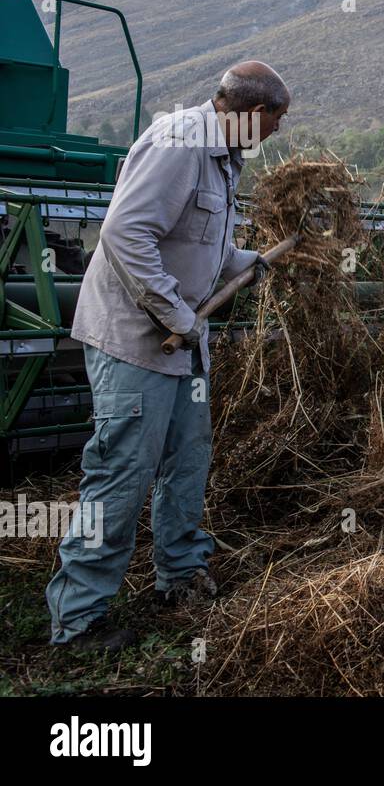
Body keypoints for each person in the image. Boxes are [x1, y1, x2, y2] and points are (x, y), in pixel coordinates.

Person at [46, 62, 289, 650]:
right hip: (139, 339)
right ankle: (78, 619)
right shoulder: (178, 142)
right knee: (123, 470)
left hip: (186, 344)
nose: (273, 136)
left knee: (188, 458)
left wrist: (246, 262)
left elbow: (201, 245)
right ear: (249, 115)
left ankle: (179, 575)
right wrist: (178, 317)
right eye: (273, 125)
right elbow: (126, 234)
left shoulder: (223, 159)